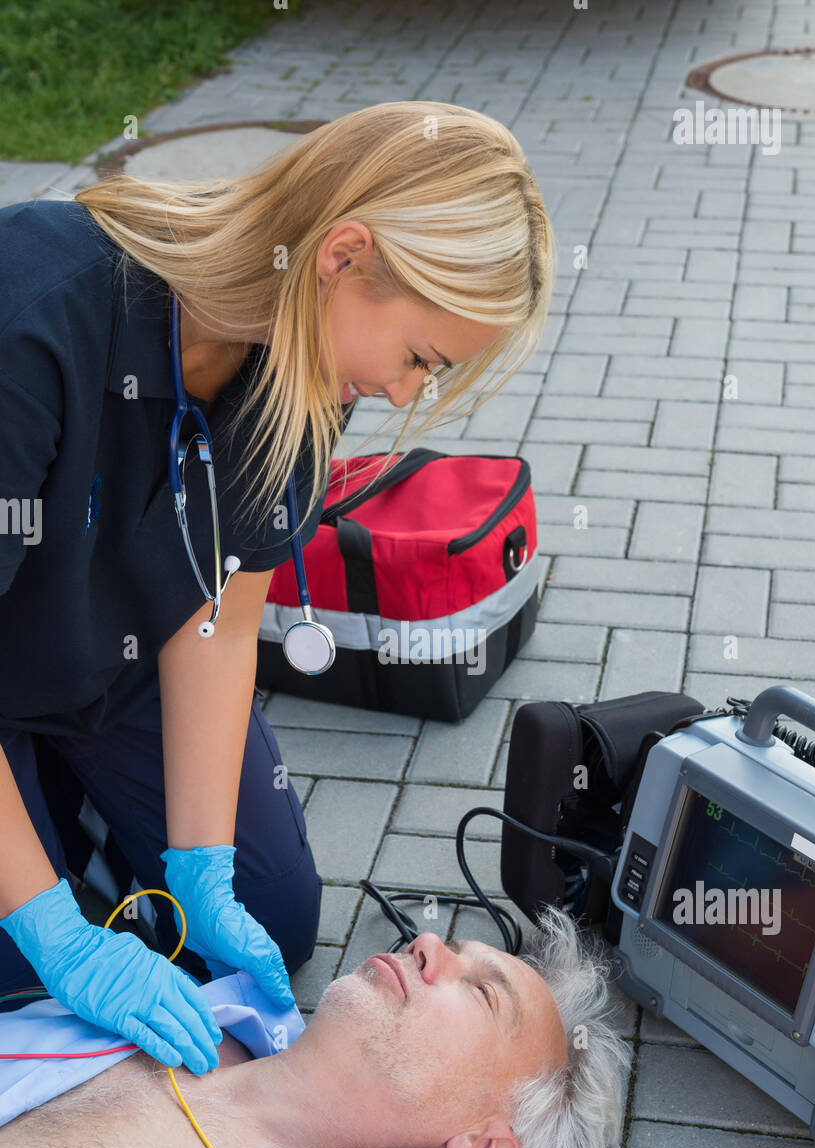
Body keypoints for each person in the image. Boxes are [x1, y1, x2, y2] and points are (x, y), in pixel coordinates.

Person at [0, 101, 555, 1071]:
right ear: (341, 254)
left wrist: (201, 867)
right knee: (27, 972)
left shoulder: (301, 369)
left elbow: (220, 613)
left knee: (270, 913)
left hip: (110, 665)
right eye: (419, 358)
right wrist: (54, 925)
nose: (398, 395)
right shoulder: (35, 312)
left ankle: (71, 808)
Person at [0, 910, 629, 1148]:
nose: (428, 941)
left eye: (483, 993)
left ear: (482, 1144)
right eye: (454, 945)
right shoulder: (166, 1002)